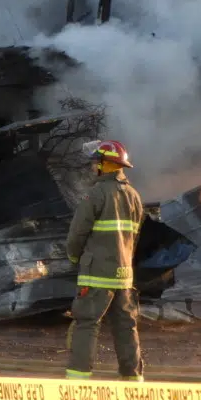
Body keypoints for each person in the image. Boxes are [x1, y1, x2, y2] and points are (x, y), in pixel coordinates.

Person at [64, 140, 145, 381]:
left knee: (87, 323)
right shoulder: (134, 196)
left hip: (96, 274)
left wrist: (74, 257)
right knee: (126, 326)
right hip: (124, 275)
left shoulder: (96, 194)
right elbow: (134, 238)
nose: (92, 167)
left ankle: (78, 381)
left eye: (95, 162)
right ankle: (133, 380)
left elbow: (77, 234)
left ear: (105, 164)